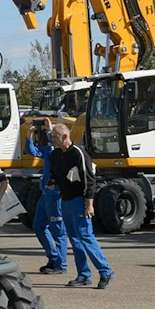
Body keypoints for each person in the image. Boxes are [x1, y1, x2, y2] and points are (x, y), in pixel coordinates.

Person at [45, 121, 115, 289]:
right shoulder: (55, 154)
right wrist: (53, 182)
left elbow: (90, 180)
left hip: (79, 201)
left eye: (54, 137)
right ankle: (83, 275)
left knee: (85, 236)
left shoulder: (79, 153)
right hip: (65, 201)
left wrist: (89, 205)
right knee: (74, 239)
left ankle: (106, 271)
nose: (52, 140)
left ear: (65, 137)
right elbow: (55, 173)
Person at [24, 118, 68, 274]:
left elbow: (59, 147)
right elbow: (31, 151)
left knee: (58, 230)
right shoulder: (48, 149)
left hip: (56, 195)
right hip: (46, 194)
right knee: (39, 225)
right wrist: (30, 135)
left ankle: (61, 265)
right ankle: (53, 258)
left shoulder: (60, 149)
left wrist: (50, 131)